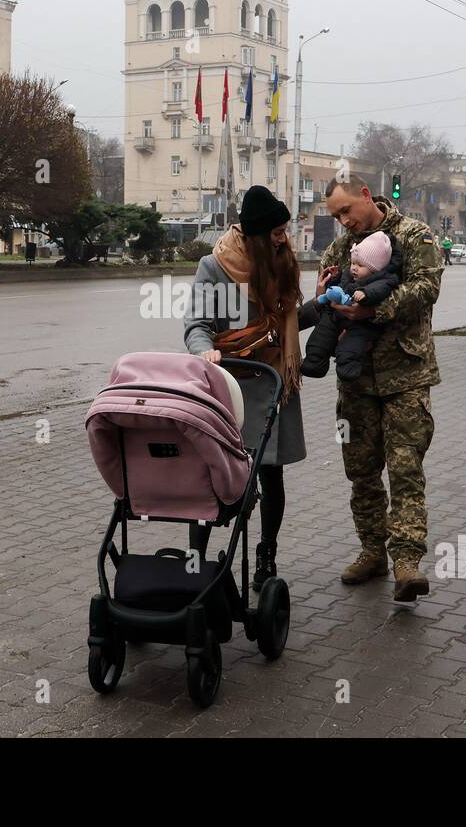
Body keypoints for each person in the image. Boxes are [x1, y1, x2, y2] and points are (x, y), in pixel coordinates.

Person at [184, 185, 319, 592]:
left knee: (271, 475)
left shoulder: (282, 262)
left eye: (285, 230)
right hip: (230, 385)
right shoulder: (215, 266)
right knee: (213, 477)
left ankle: (266, 554)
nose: (284, 238)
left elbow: (286, 324)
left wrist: (322, 304)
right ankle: (197, 562)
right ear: (257, 234)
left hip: (274, 381)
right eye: (277, 231)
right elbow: (197, 326)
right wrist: (204, 353)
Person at [319, 181, 442, 603]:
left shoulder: (414, 235)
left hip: (406, 374)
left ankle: (407, 563)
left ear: (367, 194)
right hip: (355, 381)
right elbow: (327, 296)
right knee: (360, 470)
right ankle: (371, 550)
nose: (344, 220)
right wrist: (324, 299)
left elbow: (427, 288)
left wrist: (375, 308)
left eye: (347, 210)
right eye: (337, 216)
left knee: (406, 469)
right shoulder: (340, 249)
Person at [302, 231, 402, 379]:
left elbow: (380, 289)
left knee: (350, 348)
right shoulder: (349, 274)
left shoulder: (384, 278)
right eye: (353, 263)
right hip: (337, 316)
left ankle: (348, 370)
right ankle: (313, 363)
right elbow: (339, 287)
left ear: (375, 268)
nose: (354, 268)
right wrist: (332, 280)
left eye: (360, 265)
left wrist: (365, 293)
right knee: (320, 337)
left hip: (361, 324)